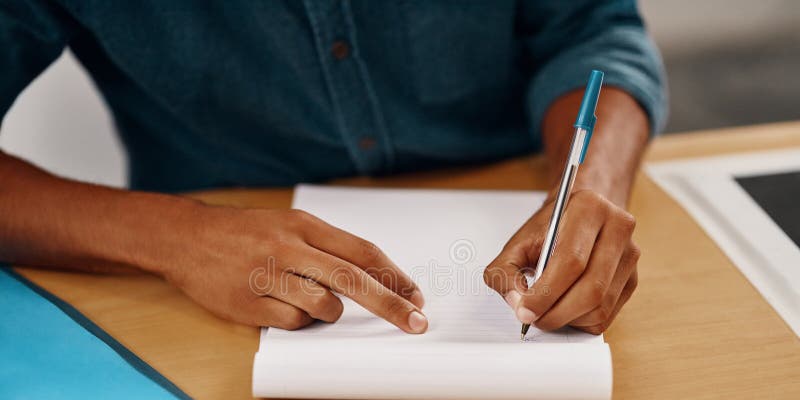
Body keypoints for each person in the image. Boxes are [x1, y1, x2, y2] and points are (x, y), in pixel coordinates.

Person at [0, 1, 666, 335]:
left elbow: (593, 34)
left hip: (519, 184)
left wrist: (591, 186)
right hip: (197, 305)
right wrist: (178, 237)